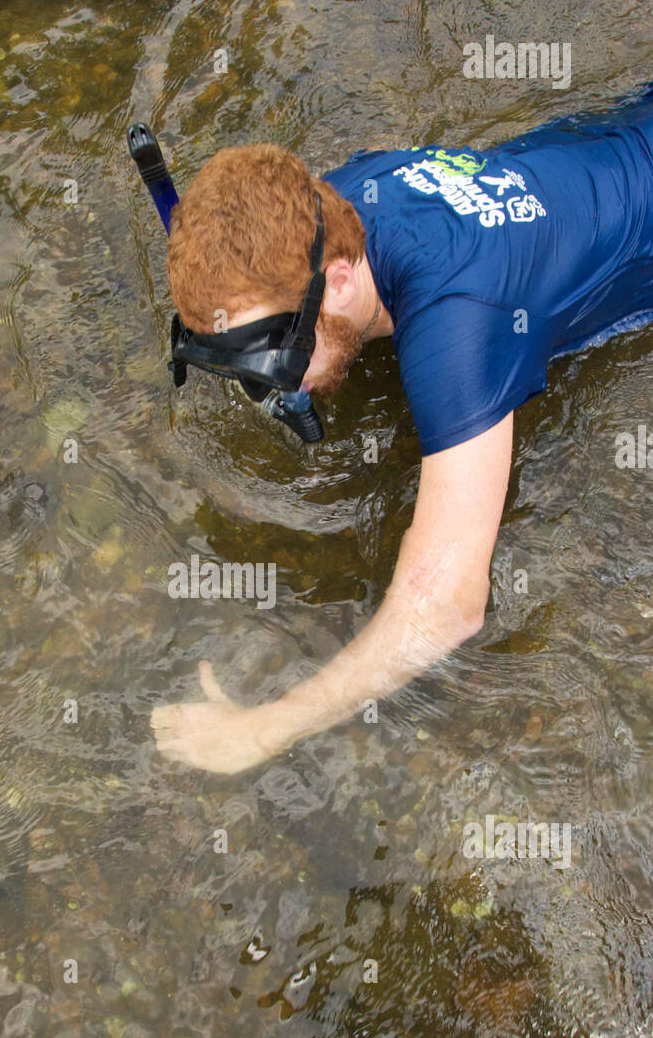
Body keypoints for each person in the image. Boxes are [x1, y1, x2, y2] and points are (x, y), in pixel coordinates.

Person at [151, 89, 653, 774]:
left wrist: (264, 730)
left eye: (270, 356)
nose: (264, 390)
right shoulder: (329, 205)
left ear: (337, 280)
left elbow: (446, 602)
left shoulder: (460, 322)